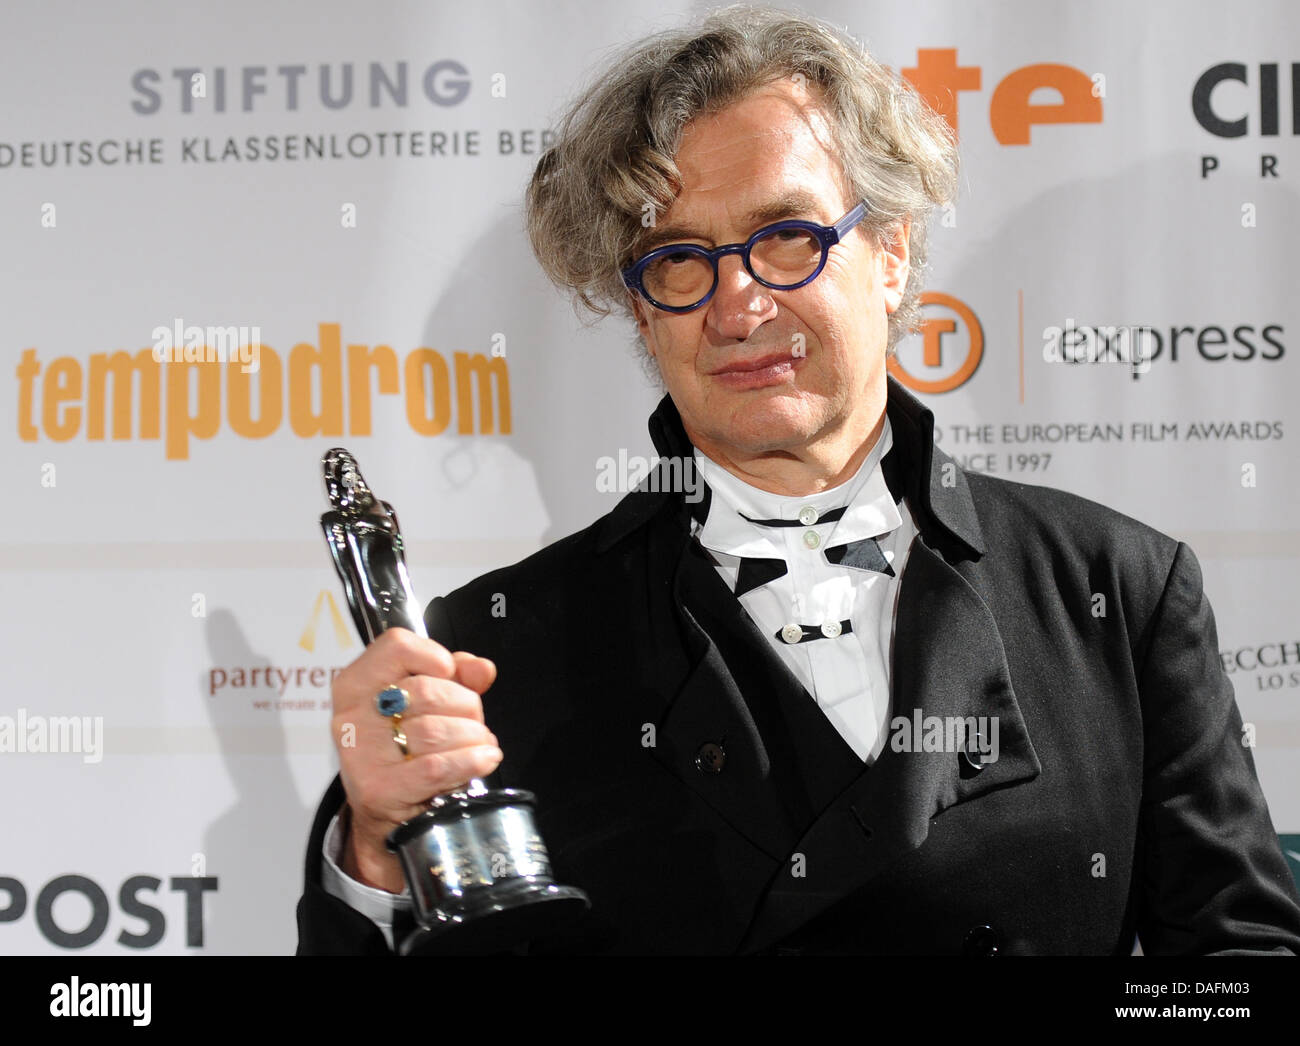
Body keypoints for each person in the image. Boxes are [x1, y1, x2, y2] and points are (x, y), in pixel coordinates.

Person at [295, 5, 1300, 955]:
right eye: (678, 259)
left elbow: (1234, 953)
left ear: (891, 252)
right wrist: (375, 851)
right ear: (643, 313)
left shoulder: (1112, 589)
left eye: (787, 237)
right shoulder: (493, 647)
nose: (735, 306)